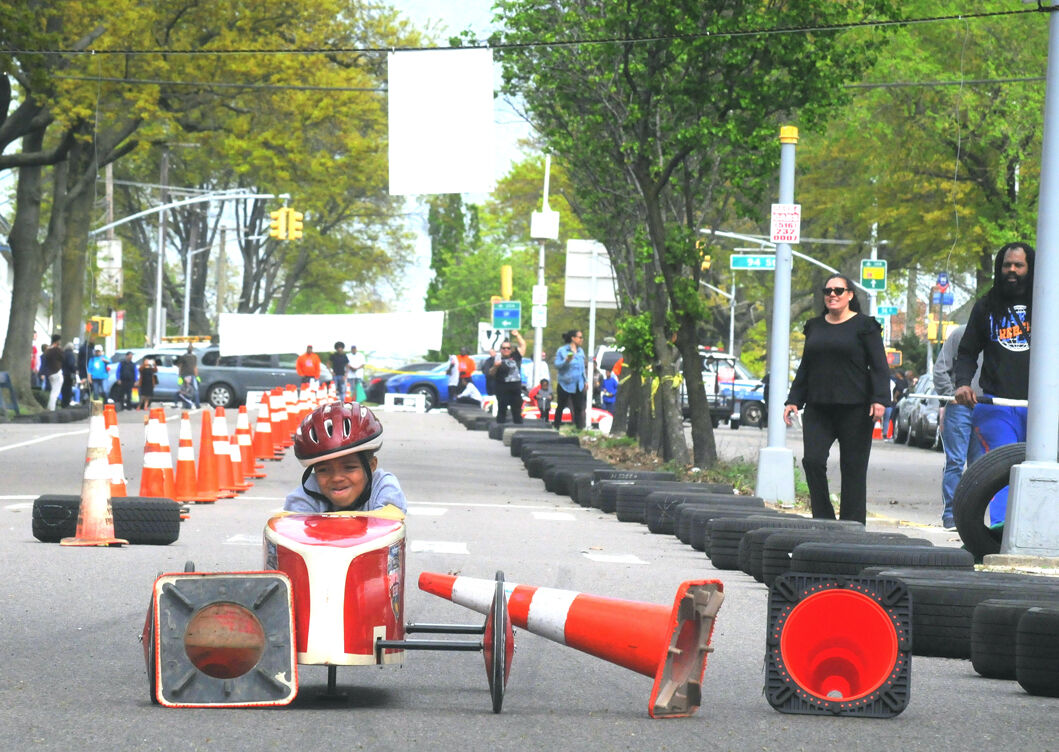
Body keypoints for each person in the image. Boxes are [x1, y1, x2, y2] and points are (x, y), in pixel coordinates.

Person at [782, 275, 890, 524]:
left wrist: (880, 400)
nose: (832, 294)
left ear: (850, 295)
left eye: (838, 290)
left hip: (856, 408)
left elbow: (879, 366)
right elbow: (806, 366)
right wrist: (793, 400)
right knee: (812, 461)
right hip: (819, 407)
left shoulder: (865, 326)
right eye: (828, 290)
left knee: (853, 468)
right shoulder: (814, 327)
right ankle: (824, 520)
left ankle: (852, 526)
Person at [953, 241, 1034, 527]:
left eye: (1018, 265)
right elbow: (966, 352)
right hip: (997, 406)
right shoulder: (986, 306)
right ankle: (1001, 531)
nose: (1011, 270)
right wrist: (963, 384)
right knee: (1003, 470)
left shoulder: (1050, 303)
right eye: (1006, 265)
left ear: (1030, 267)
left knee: (1040, 471)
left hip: (1043, 410)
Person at [284, 402, 407, 514]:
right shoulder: (309, 491)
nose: (336, 478)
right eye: (323, 470)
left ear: (371, 466)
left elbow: (389, 524)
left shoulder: (382, 486)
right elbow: (295, 525)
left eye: (349, 467)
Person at [934, 324, 983, 530]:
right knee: (955, 461)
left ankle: (973, 516)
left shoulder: (1001, 334)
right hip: (959, 407)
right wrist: (951, 394)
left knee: (981, 465)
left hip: (987, 407)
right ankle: (950, 515)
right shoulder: (960, 333)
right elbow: (940, 369)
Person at [553, 329, 587, 429]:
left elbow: (582, 368)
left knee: (578, 407)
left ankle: (578, 428)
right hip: (565, 384)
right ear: (573, 338)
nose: (582, 339)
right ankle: (556, 426)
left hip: (578, 384)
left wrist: (585, 381)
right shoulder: (562, 350)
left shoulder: (581, 351)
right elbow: (557, 365)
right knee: (561, 406)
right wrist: (566, 361)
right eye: (580, 337)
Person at [490, 330, 526, 424]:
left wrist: (517, 335)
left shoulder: (516, 356)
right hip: (502, 387)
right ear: (501, 349)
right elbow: (491, 373)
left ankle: (518, 428)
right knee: (502, 409)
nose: (506, 350)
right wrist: (495, 366)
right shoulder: (497, 358)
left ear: (511, 349)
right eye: (504, 348)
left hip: (515, 387)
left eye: (508, 348)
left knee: (517, 410)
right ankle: (500, 428)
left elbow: (523, 345)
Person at [41, 335, 64, 411]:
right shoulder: (57, 350)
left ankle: (49, 407)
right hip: (57, 372)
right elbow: (64, 358)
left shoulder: (47, 351)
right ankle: (52, 409)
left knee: (53, 391)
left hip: (50, 374)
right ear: (57, 341)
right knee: (55, 393)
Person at [176, 344, 200, 408]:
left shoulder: (183, 357)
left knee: (184, 389)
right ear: (192, 350)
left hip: (184, 375)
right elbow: (195, 367)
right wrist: (197, 376)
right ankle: (197, 404)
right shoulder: (194, 357)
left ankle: (185, 404)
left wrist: (179, 376)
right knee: (195, 390)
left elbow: (180, 366)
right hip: (192, 375)